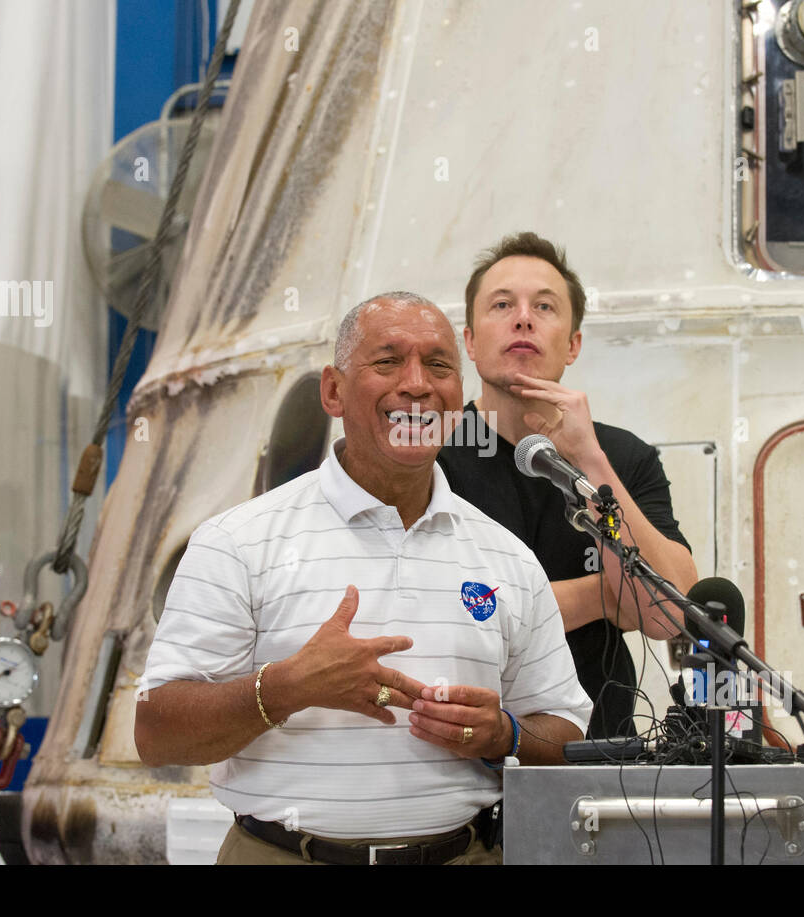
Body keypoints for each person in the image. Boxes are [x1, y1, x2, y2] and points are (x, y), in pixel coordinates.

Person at [134, 291, 592, 865]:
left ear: (460, 397)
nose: (417, 384)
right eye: (386, 361)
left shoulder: (508, 559)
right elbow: (156, 735)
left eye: (439, 365)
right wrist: (289, 687)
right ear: (333, 390)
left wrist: (505, 736)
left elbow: (569, 733)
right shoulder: (237, 542)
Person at [438, 233, 699, 740]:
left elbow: (670, 613)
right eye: (501, 304)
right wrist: (606, 595)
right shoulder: (432, 459)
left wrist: (589, 460)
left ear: (573, 344)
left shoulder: (622, 457)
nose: (523, 318)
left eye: (544, 306)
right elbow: (447, 614)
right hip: (464, 749)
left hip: (601, 751)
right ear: (469, 341)